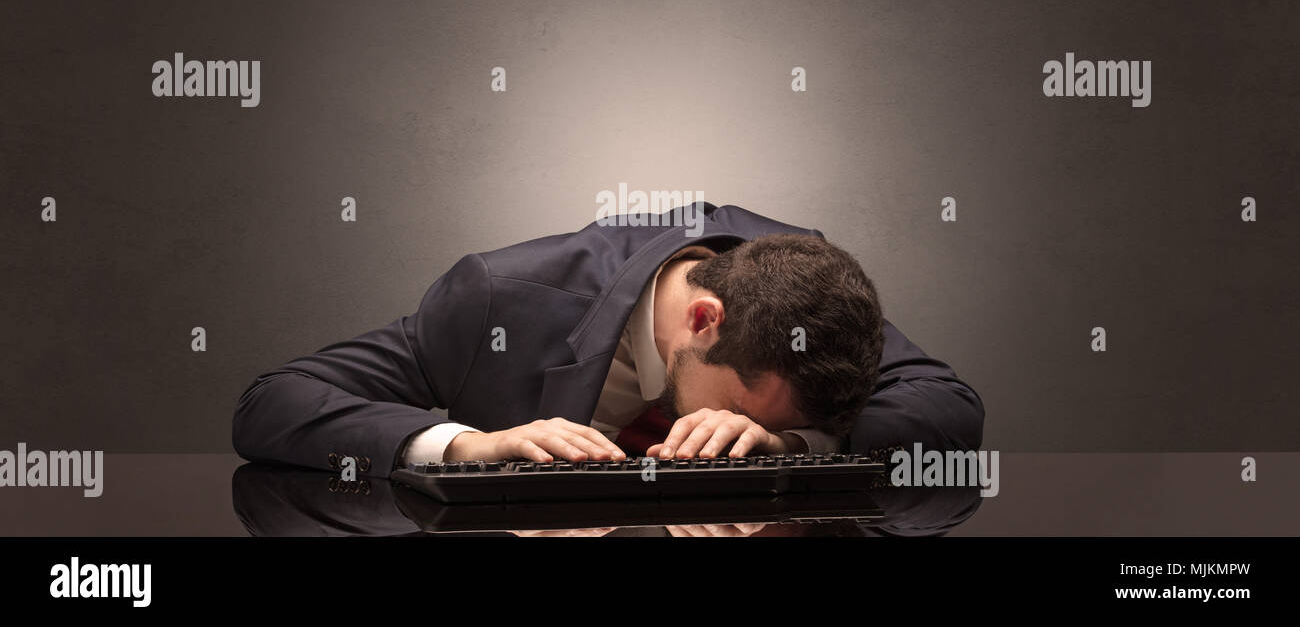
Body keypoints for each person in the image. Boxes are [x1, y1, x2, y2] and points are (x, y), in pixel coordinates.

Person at [231, 202, 983, 477]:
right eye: (755, 411)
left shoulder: (807, 291)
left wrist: (793, 447)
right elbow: (271, 405)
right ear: (703, 320)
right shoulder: (495, 299)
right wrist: (464, 447)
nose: (749, 431)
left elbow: (947, 409)